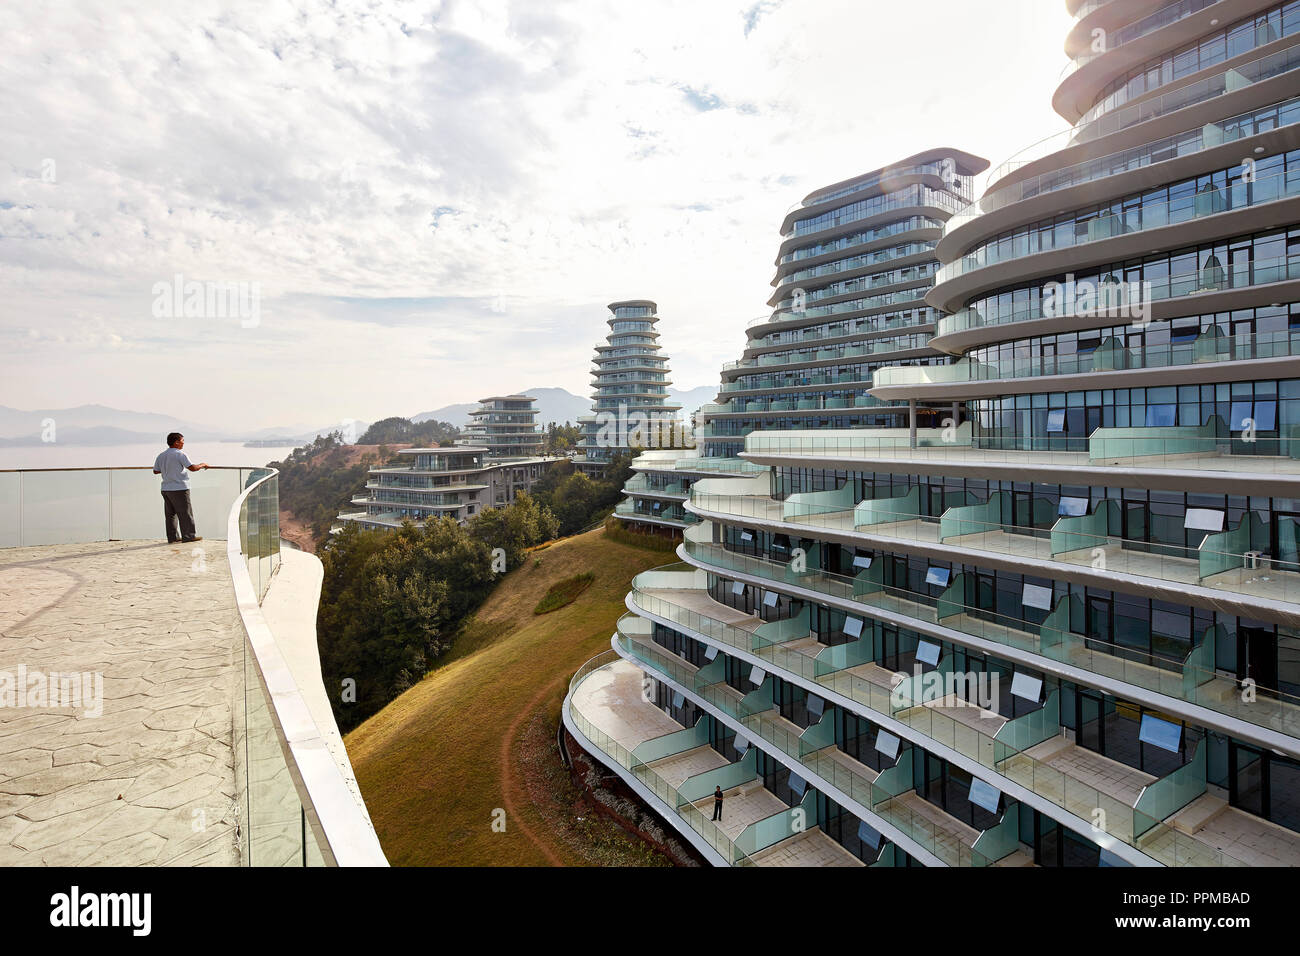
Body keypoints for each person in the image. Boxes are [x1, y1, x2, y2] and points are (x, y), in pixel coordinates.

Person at [153, 433, 210, 543]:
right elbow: (192, 468)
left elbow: (155, 471)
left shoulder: (161, 455)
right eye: (182, 440)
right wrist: (202, 464)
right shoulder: (180, 454)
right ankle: (189, 536)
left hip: (166, 488)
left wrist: (168, 470)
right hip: (179, 488)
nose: (183, 442)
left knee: (170, 515)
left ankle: (172, 538)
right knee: (185, 513)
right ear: (176, 442)